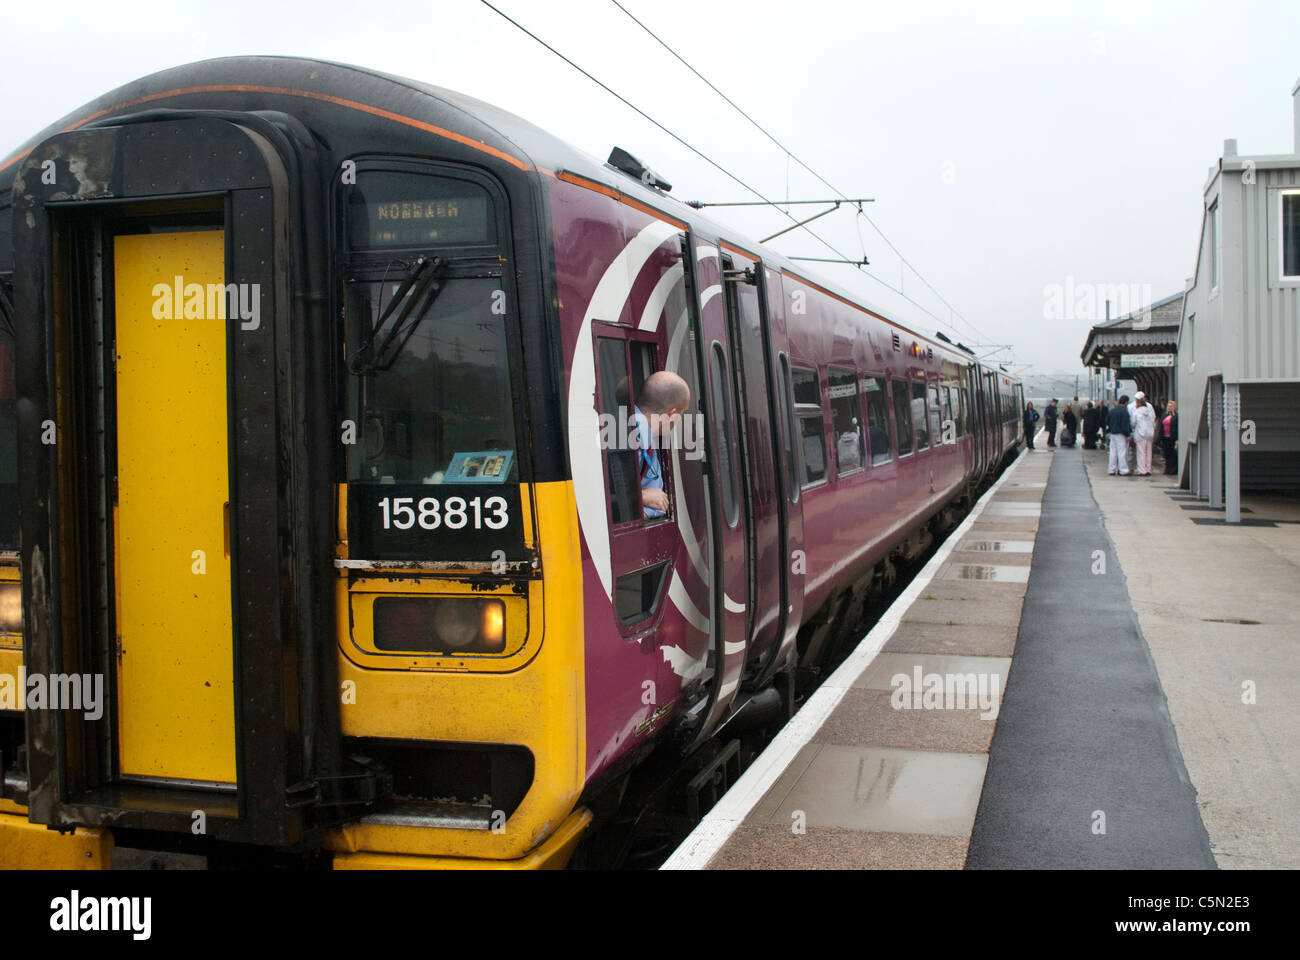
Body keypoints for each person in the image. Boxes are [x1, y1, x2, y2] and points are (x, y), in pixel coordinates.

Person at [634, 370, 691, 518]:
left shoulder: (648, 441)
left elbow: (659, 503)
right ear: (671, 415)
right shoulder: (620, 433)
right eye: (681, 414)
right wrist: (640, 496)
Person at [1131, 394, 1156, 475]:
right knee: (1149, 452)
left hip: (1140, 434)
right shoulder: (1150, 411)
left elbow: (1133, 423)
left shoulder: (1137, 411)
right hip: (1150, 434)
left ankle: (1142, 470)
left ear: (1138, 403)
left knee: (1141, 452)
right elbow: (1154, 419)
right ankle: (1148, 469)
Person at [1106, 396, 1132, 475]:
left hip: (1113, 434)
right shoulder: (1124, 412)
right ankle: (1123, 470)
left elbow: (1106, 420)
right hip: (1121, 434)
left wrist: (1111, 427)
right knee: (1122, 452)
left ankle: (1111, 470)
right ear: (1126, 403)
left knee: (1113, 452)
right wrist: (1127, 434)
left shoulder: (1112, 411)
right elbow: (1125, 425)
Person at [1161, 400, 1179, 475]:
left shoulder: (1176, 416)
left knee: (1173, 454)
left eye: (1171, 406)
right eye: (1168, 406)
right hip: (1165, 437)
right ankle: (1167, 468)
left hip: (1172, 437)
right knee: (1167, 454)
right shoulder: (1164, 415)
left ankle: (1173, 469)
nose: (1169, 408)